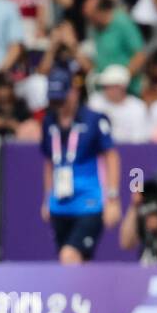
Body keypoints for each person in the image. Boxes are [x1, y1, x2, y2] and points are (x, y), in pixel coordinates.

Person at [39, 67, 121, 264]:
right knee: (78, 261)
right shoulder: (49, 121)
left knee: (69, 256)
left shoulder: (94, 120)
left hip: (89, 202)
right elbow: (49, 162)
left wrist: (112, 198)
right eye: (54, 100)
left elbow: (111, 157)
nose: (58, 105)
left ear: (73, 93)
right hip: (60, 203)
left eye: (62, 98)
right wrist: (47, 197)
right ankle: (88, 295)